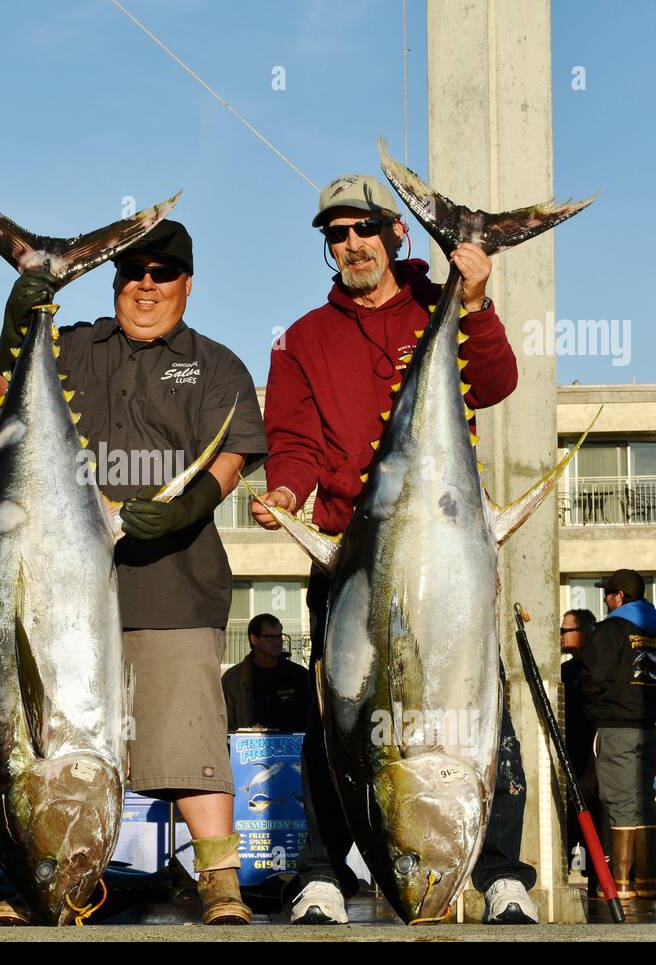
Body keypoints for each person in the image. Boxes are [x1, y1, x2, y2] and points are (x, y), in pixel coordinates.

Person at [252, 172, 538, 925]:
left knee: (483, 716)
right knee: (340, 715)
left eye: (364, 230)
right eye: (336, 236)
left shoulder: (432, 307)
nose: (351, 245)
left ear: (397, 234)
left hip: (449, 561)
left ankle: (503, 876)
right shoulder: (301, 340)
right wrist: (286, 491)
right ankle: (321, 875)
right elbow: (294, 440)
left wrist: (470, 301)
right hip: (352, 563)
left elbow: (497, 382)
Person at [0, 220, 267, 924]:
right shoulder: (70, 345)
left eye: (162, 272)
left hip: (172, 577)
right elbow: (2, 400)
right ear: (116, 282)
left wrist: (189, 506)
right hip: (62, 591)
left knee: (189, 734)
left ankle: (219, 883)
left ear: (187, 283)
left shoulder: (214, 364)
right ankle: (48, 877)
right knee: (57, 736)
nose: (146, 284)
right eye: (132, 272)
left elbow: (232, 456)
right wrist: (16, 319)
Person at [579, 570, 656, 900]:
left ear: (620, 596)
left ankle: (620, 884)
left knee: (620, 802)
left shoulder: (609, 631)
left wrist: (600, 704)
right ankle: (646, 883)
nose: (605, 599)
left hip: (615, 727)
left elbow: (593, 679)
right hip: (648, 729)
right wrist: (643, 703)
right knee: (642, 802)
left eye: (607, 593)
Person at [560, 608, 601, 874]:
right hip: (568, 761)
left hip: (590, 761)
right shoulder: (565, 671)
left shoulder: (596, 670)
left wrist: (590, 771)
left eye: (566, 631)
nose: (561, 636)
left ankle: (599, 884)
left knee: (592, 828)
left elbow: (596, 723)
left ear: (584, 633)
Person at [222, 614, 311, 733]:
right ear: (254, 639)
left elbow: (311, 722)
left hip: (292, 749)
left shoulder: (300, 676)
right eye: (270, 637)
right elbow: (225, 727)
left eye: (280, 636)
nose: (278, 642)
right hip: (245, 749)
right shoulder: (232, 679)